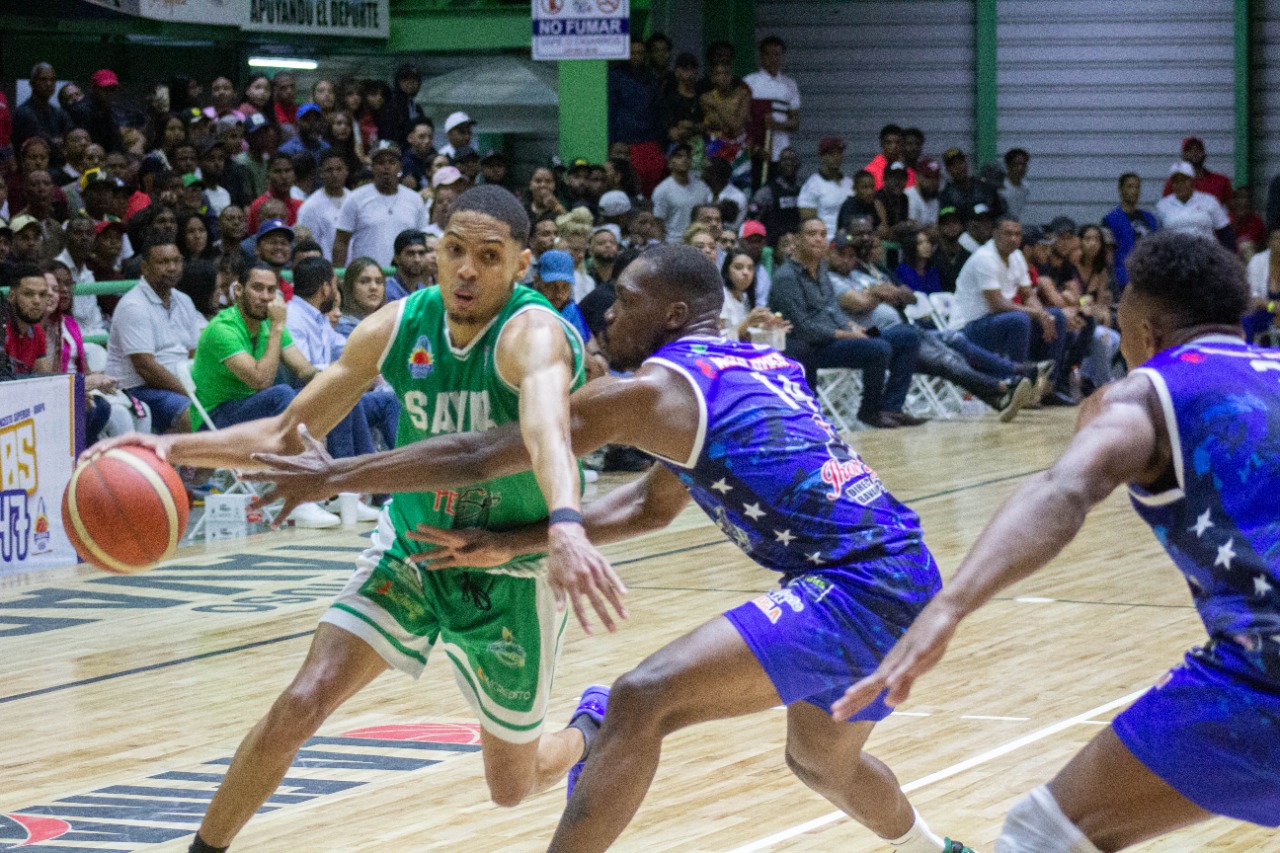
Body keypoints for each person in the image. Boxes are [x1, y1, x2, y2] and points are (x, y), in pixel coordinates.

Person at [239, 243, 979, 853]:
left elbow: (481, 454)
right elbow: (650, 505)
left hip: (859, 587)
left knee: (640, 698)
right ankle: (939, 851)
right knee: (822, 761)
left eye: (624, 299)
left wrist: (333, 474)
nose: (606, 310)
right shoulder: (758, 364)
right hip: (903, 575)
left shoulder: (653, 389)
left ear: (673, 314)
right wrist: (514, 541)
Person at [87, 186, 616, 853]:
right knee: (302, 699)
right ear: (436, 250)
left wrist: (565, 524)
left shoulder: (531, 334)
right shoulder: (397, 324)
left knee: (511, 786)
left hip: (506, 565)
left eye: (489, 256)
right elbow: (287, 432)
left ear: (521, 264)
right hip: (413, 551)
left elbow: (546, 435)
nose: (467, 270)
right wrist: (167, 447)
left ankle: (595, 724)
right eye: (454, 250)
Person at [834, 229, 1280, 853]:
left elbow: (1063, 491)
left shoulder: (1146, 393)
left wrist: (951, 603)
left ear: (1146, 327)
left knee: (1045, 833)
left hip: (1263, 671)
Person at [769, 217, 921, 429]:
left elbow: (832, 309)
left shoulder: (821, 270)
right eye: (812, 234)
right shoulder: (786, 277)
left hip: (845, 336)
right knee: (878, 347)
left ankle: (892, 408)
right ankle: (870, 412)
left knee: (907, 335)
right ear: (797, 240)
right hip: (817, 347)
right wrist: (849, 334)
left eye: (822, 234)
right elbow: (804, 328)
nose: (818, 239)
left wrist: (854, 328)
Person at [104, 237, 207, 433]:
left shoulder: (184, 300)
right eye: (163, 262)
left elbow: (194, 353)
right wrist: (191, 393)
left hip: (178, 385)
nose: (172, 267)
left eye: (177, 261)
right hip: (139, 389)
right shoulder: (133, 305)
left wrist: (203, 388)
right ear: (145, 267)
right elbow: (146, 367)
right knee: (194, 412)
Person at [333, 141, 428, 267]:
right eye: (380, 162)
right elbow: (341, 241)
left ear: (400, 167)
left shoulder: (415, 199)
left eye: (391, 162)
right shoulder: (355, 198)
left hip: (405, 277)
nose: (386, 167)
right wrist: (339, 275)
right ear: (372, 167)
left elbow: (423, 241)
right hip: (365, 276)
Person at [1102, 172, 1159, 290]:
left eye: (1137, 187)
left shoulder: (1150, 218)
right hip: (1123, 278)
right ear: (1120, 189)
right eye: (1130, 186)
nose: (1134, 191)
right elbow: (1108, 255)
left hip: (1148, 276)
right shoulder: (1110, 219)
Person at [1156, 162, 1231, 247]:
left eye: (1184, 180)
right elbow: (1158, 236)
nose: (1180, 185)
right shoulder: (1162, 205)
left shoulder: (1209, 201)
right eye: (1176, 182)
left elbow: (1225, 232)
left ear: (1192, 181)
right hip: (1175, 254)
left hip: (1206, 252)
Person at [651, 144, 711, 244]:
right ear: (670, 162)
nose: (684, 159)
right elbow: (658, 224)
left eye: (688, 156)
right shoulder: (662, 190)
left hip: (699, 241)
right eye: (679, 156)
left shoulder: (702, 186)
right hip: (674, 243)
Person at [295, 151, 350, 260]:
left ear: (346, 171)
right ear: (320, 173)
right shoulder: (309, 207)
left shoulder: (354, 200)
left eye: (339, 169)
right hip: (324, 270)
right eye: (329, 170)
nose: (334, 175)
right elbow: (306, 246)